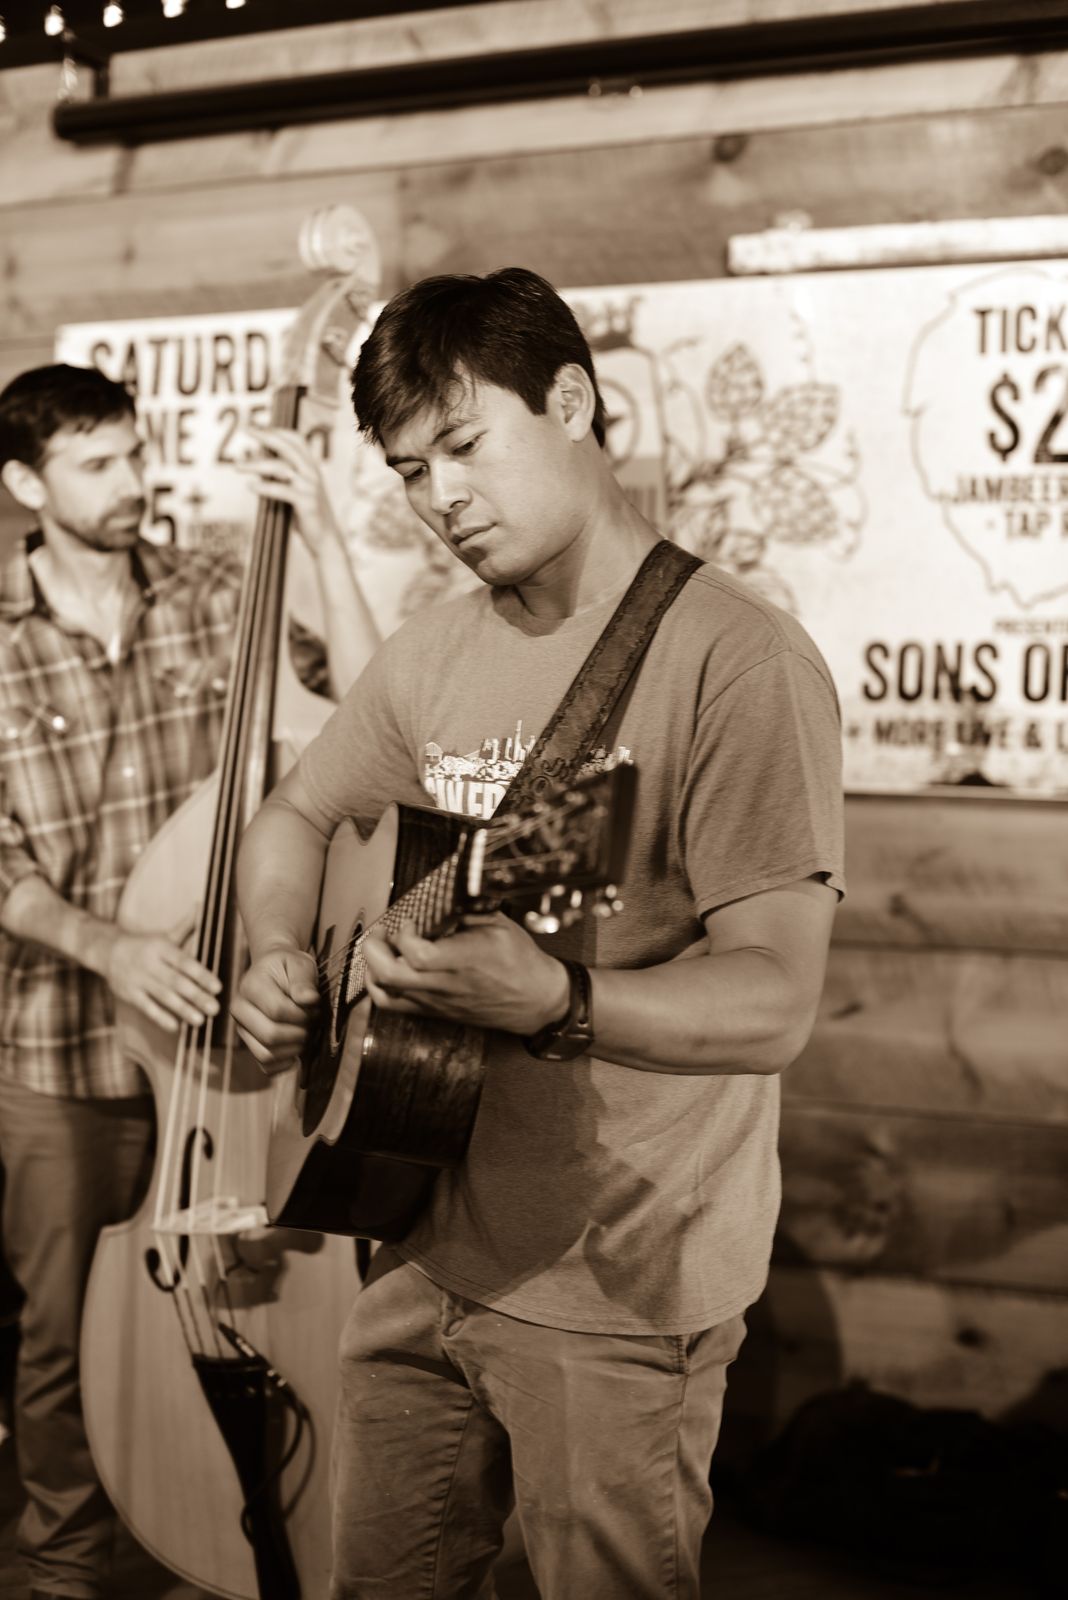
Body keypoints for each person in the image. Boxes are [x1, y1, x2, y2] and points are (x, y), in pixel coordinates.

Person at [232, 267, 846, 1600]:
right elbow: (289, 816)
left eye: (463, 445)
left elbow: (776, 1001)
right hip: (413, 1235)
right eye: (407, 471)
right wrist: (282, 950)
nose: (438, 497)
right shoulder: (435, 652)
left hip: (618, 1286)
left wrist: (557, 1000)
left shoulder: (736, 660)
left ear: (570, 401)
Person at [0, 361, 377, 1600]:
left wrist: (317, 530)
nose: (132, 480)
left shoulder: (223, 590)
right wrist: (114, 945)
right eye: (96, 464)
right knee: (61, 1345)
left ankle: (241, 1536)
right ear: (23, 484)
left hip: (234, 1053)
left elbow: (368, 716)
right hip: (62, 1053)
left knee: (268, 1316)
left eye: (136, 452)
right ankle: (61, 1572)